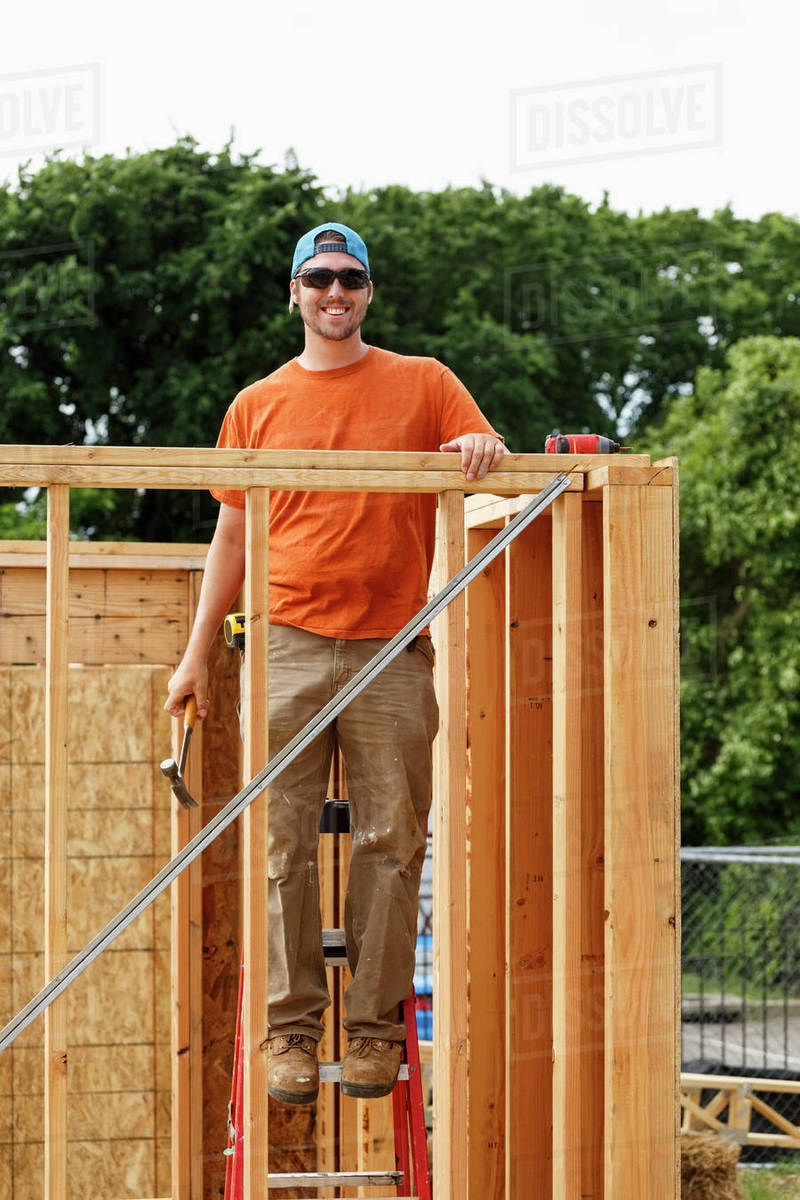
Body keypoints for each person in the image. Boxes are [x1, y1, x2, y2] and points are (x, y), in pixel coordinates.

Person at [164, 222, 505, 1105]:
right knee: (285, 846)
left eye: (350, 277)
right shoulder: (257, 404)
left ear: (368, 291)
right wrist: (195, 656)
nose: (334, 292)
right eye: (318, 278)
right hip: (287, 641)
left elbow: (485, 455)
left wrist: (478, 453)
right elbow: (231, 534)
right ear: (294, 293)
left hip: (394, 644)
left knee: (394, 840)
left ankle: (373, 1030)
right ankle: (289, 1031)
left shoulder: (425, 383)